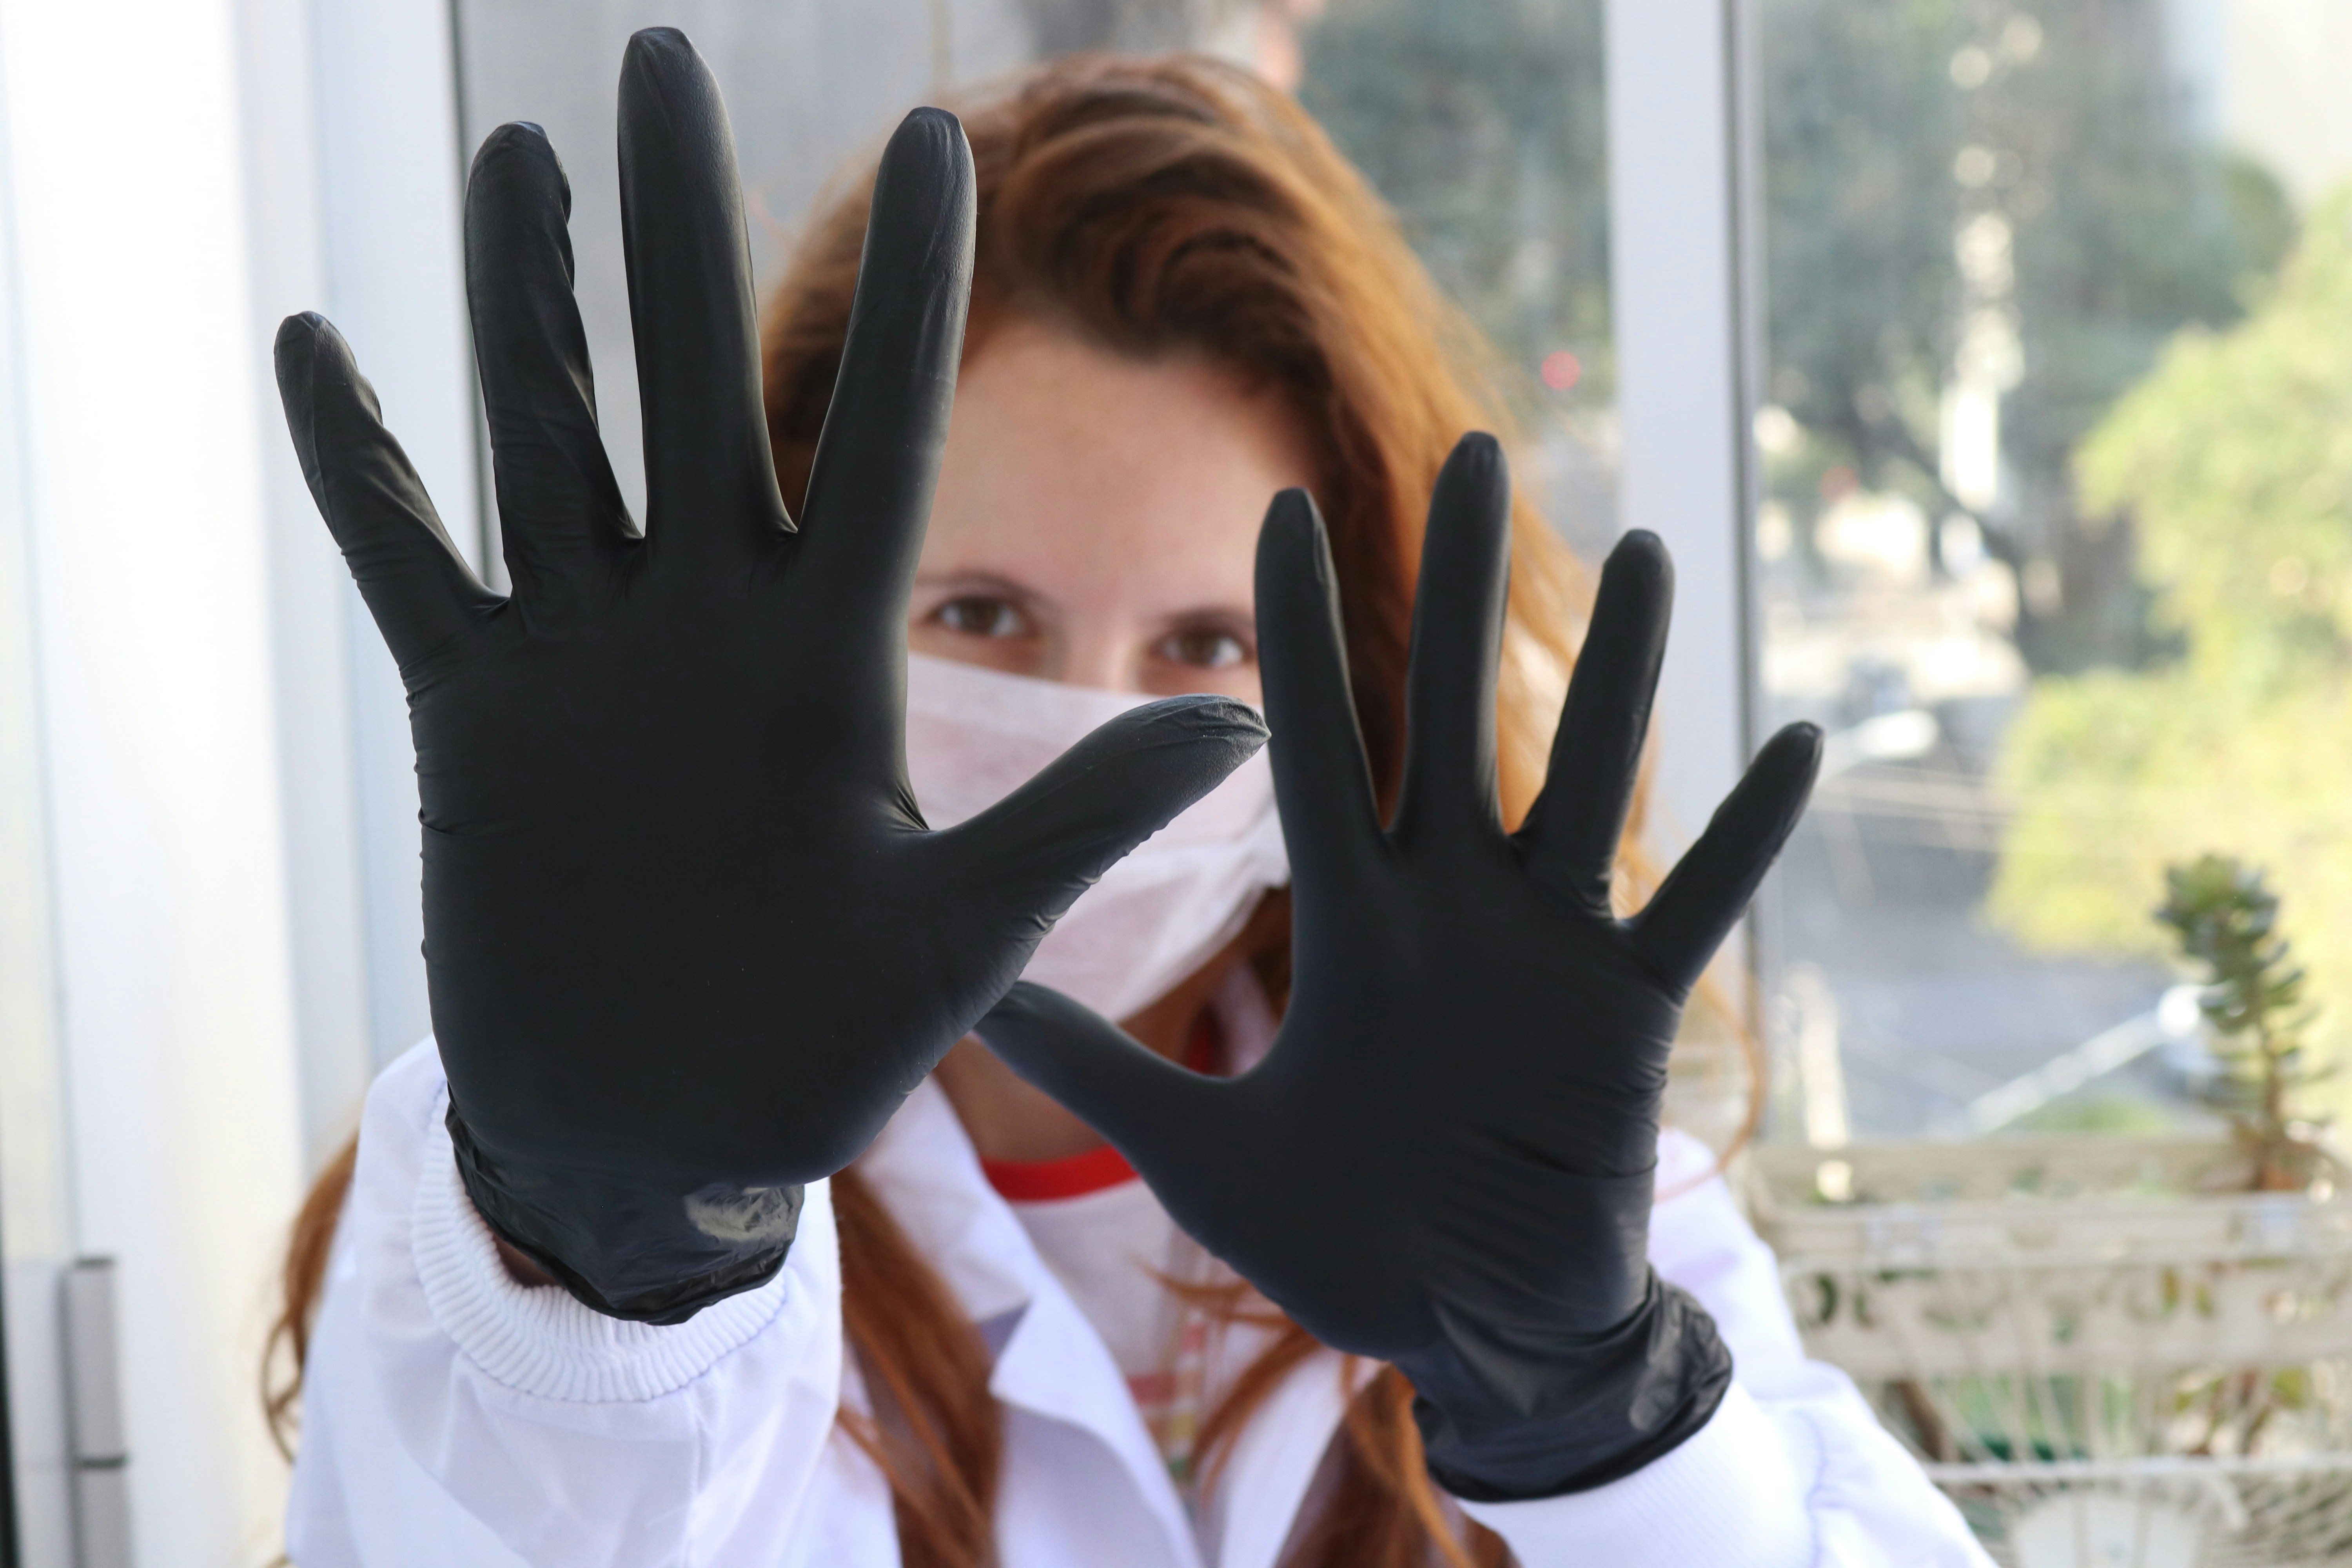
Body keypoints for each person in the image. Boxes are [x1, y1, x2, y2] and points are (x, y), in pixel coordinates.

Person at [267, 31, 1990, 1568]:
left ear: (1363, 699)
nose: (1088, 730)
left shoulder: (1549, 1198)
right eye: (981, 615)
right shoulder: (530, 1187)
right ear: (784, 615)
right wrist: (623, 1254)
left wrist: (1595, 1426)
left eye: (1203, 640)